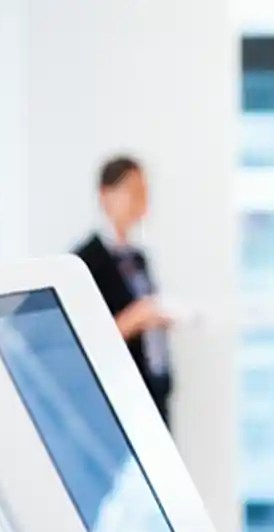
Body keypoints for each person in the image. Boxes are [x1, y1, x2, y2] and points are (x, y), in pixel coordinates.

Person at [74, 156, 175, 425]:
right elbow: (83, 341)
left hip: (154, 390)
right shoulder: (84, 263)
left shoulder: (138, 258)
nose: (141, 200)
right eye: (133, 191)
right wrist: (135, 318)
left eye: (144, 191)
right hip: (116, 400)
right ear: (106, 196)